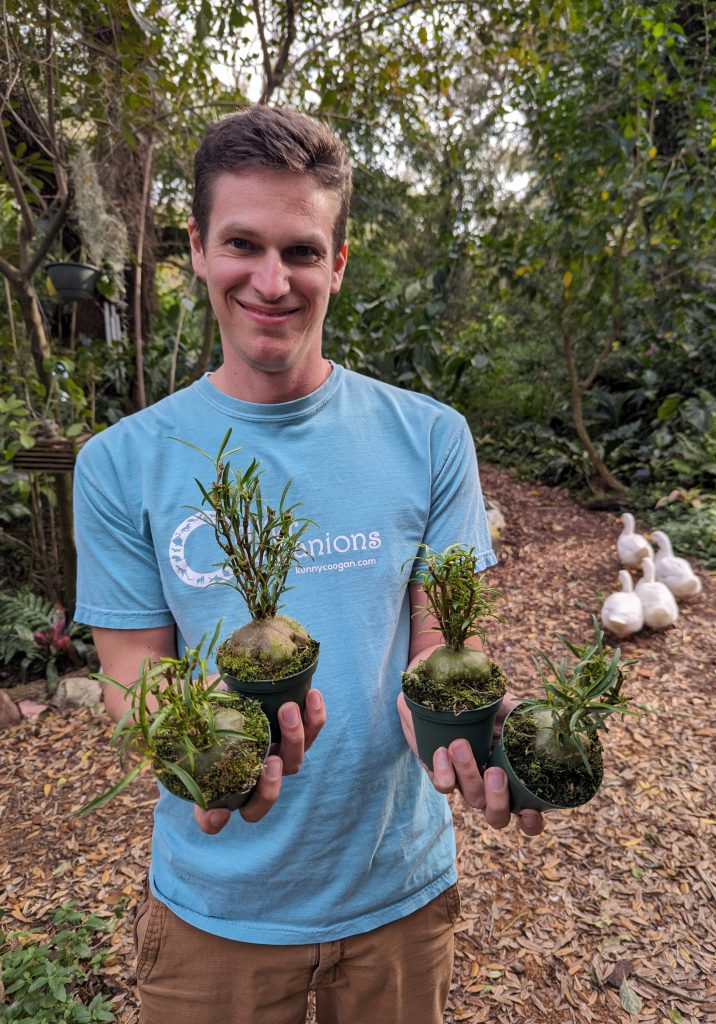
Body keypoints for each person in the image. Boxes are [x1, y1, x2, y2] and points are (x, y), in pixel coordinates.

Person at [74, 105, 544, 1024]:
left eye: (300, 250)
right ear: (199, 253)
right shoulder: (122, 461)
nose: (270, 280)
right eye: (241, 244)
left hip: (397, 898)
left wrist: (467, 725)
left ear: (336, 263)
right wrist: (186, 753)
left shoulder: (429, 437)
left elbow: (438, 636)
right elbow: (131, 667)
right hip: (217, 911)